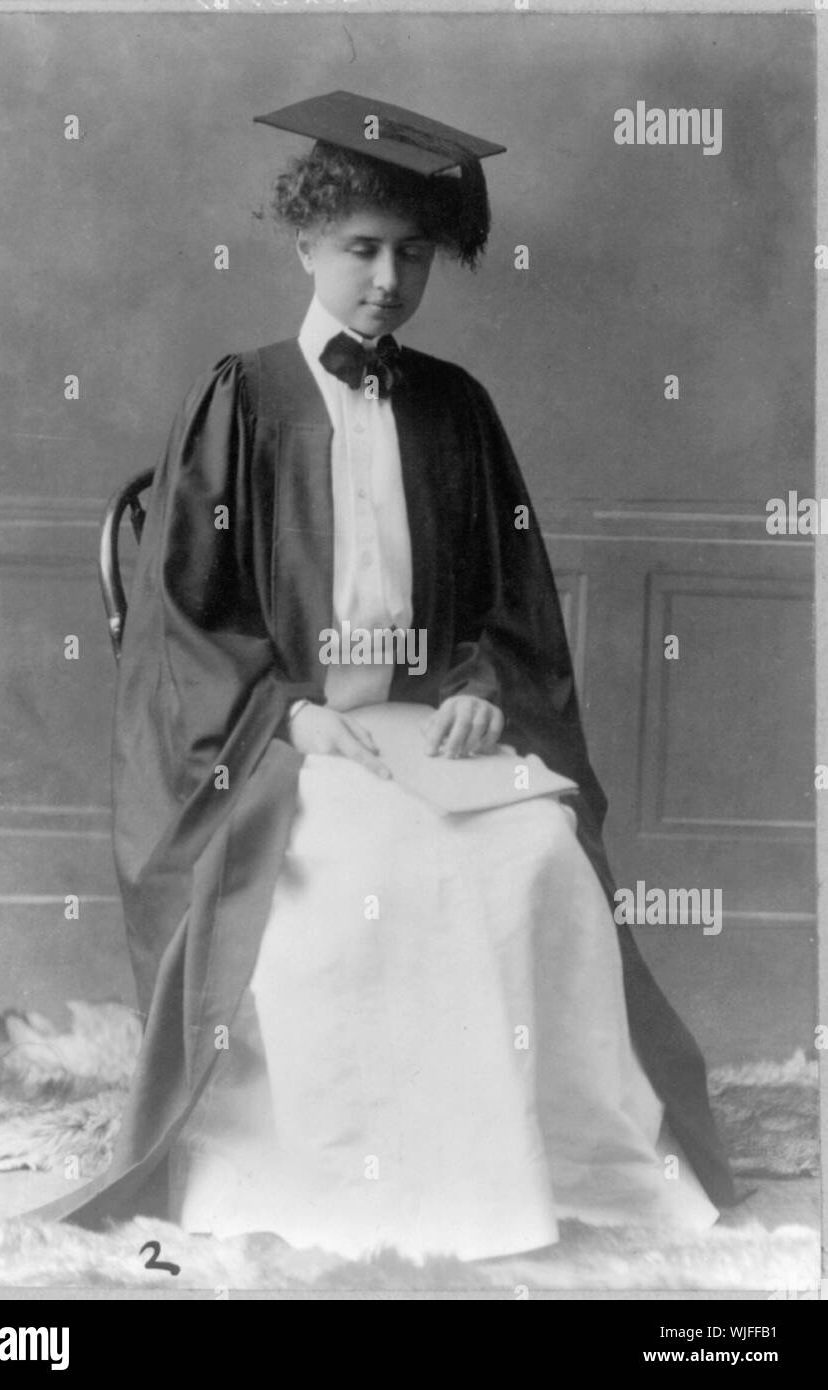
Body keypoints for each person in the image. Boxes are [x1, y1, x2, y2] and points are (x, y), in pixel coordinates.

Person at [36, 91, 735, 1259]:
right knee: (379, 866)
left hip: (429, 728)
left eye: (412, 254)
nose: (386, 280)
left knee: (538, 853)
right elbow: (184, 618)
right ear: (304, 242)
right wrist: (291, 719)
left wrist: (482, 685)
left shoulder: (456, 409)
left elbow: (511, 595)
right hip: (283, 744)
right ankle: (368, 1186)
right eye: (360, 249)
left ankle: (542, 1162)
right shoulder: (241, 398)